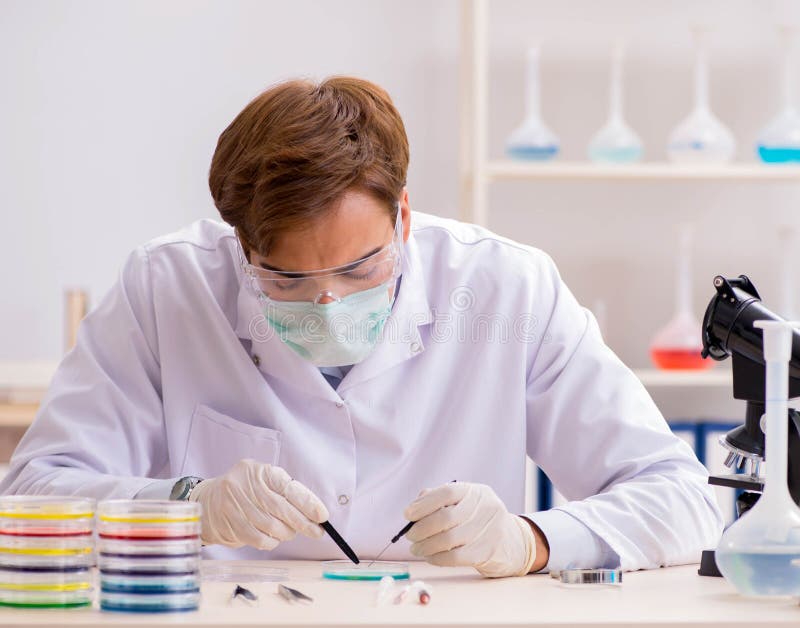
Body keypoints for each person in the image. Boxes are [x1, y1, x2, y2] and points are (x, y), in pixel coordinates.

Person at [0, 77, 722, 578]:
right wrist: (188, 506)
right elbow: (30, 495)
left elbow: (684, 500)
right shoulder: (168, 288)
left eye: (359, 269)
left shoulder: (506, 289)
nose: (326, 307)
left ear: (403, 217)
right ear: (240, 245)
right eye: (285, 280)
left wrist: (528, 540)